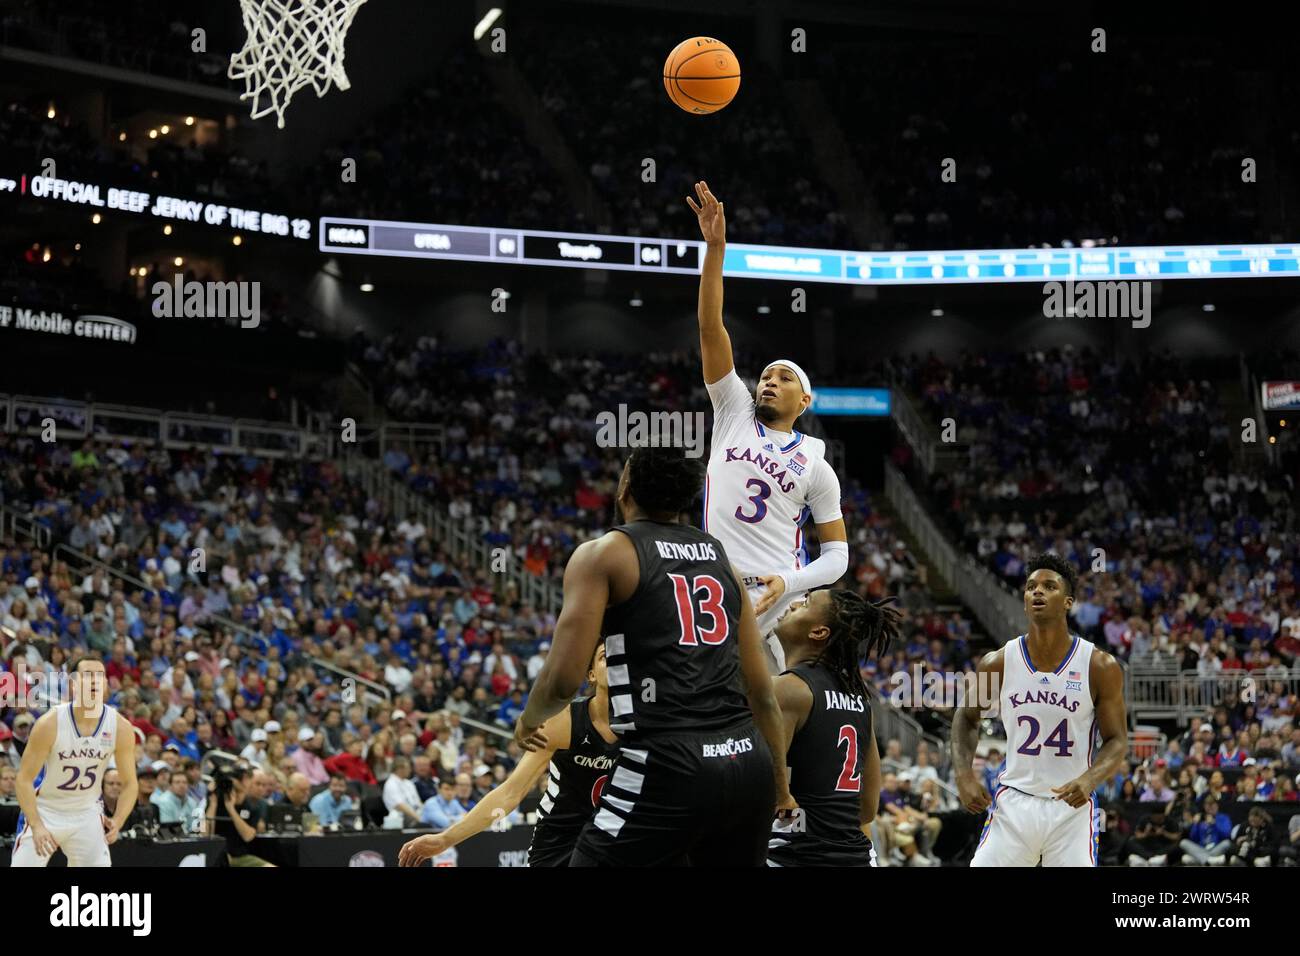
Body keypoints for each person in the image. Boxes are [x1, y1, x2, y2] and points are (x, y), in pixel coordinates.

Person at [514, 447, 794, 866]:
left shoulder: (605, 553)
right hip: (746, 759)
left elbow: (562, 680)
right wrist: (781, 785)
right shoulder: (723, 560)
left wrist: (530, 718)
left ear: (625, 486)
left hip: (668, 761)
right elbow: (762, 693)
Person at [688, 180, 849, 672]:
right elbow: (710, 327)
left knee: (771, 723)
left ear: (804, 400)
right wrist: (715, 249)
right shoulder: (733, 410)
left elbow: (837, 558)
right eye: (765, 377)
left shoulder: (817, 464)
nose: (768, 383)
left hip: (776, 597)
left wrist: (790, 581)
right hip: (713, 585)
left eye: (783, 378)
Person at [953, 553, 1128, 866]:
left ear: (1067, 602)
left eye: (1049, 586)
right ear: (1023, 600)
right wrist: (964, 774)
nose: (1037, 592)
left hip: (1071, 808)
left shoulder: (1099, 665)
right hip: (1013, 803)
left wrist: (1089, 780)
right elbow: (966, 718)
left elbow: (1117, 740)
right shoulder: (999, 662)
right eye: (1031, 586)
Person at [402, 643, 619, 867]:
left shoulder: (643, 725)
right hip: (560, 839)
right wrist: (446, 839)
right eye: (605, 656)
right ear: (591, 674)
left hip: (615, 836)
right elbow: (511, 793)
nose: (615, 661)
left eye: (620, 656)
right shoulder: (564, 721)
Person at [767, 590, 901, 866]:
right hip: (858, 857)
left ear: (818, 632)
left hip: (795, 856)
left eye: (805, 604)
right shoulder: (860, 701)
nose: (792, 604)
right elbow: (866, 810)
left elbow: (754, 786)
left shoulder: (787, 689)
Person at [12, 658, 138, 866]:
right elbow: (23, 780)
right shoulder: (50, 723)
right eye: (88, 675)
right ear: (74, 683)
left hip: (86, 812)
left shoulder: (120, 727)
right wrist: (36, 825)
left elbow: (130, 784)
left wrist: (118, 820)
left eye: (100, 676)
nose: (95, 681)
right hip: (45, 809)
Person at [205, 764, 274, 867]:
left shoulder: (251, 805)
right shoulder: (216, 800)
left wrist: (231, 809)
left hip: (240, 856)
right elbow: (206, 834)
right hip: (217, 854)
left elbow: (248, 836)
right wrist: (213, 804)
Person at [1179, 796, 1233, 865]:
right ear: (1204, 807)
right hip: (1201, 848)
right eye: (1208, 805)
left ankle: (1203, 859)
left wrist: (1214, 824)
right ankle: (1208, 860)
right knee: (1183, 842)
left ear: (1217, 805)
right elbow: (1193, 838)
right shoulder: (1200, 818)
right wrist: (1195, 824)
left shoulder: (1223, 818)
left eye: (1212, 804)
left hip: (1216, 848)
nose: (1210, 807)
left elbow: (1226, 835)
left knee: (1227, 843)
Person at [382, 756, 423, 826]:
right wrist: (419, 818)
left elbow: (418, 803)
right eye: (408, 768)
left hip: (416, 813)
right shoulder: (391, 784)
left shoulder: (409, 783)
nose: (410, 770)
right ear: (399, 769)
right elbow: (400, 806)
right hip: (402, 818)